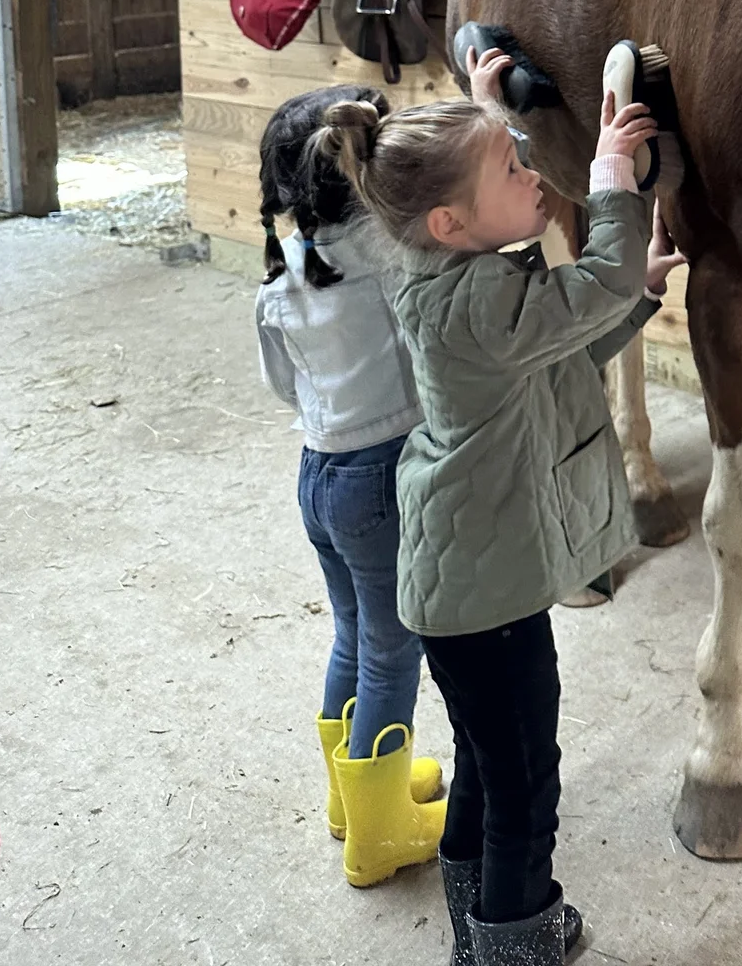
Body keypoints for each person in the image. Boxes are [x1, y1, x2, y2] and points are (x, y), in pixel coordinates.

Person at [313, 48, 677, 966]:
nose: (533, 172)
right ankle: (518, 944)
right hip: (488, 593)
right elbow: (588, 286)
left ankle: (475, 925)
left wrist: (639, 296)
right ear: (451, 221)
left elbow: (564, 349)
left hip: (465, 582)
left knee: (484, 759)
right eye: (514, 167)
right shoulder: (482, 295)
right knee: (524, 789)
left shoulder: (439, 268)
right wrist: (610, 184)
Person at [254, 84, 445, 890]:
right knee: (393, 653)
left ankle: (350, 795)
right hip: (379, 476)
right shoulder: (399, 259)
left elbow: (283, 391)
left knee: (350, 635)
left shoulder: (283, 278)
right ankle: (377, 834)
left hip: (317, 472)